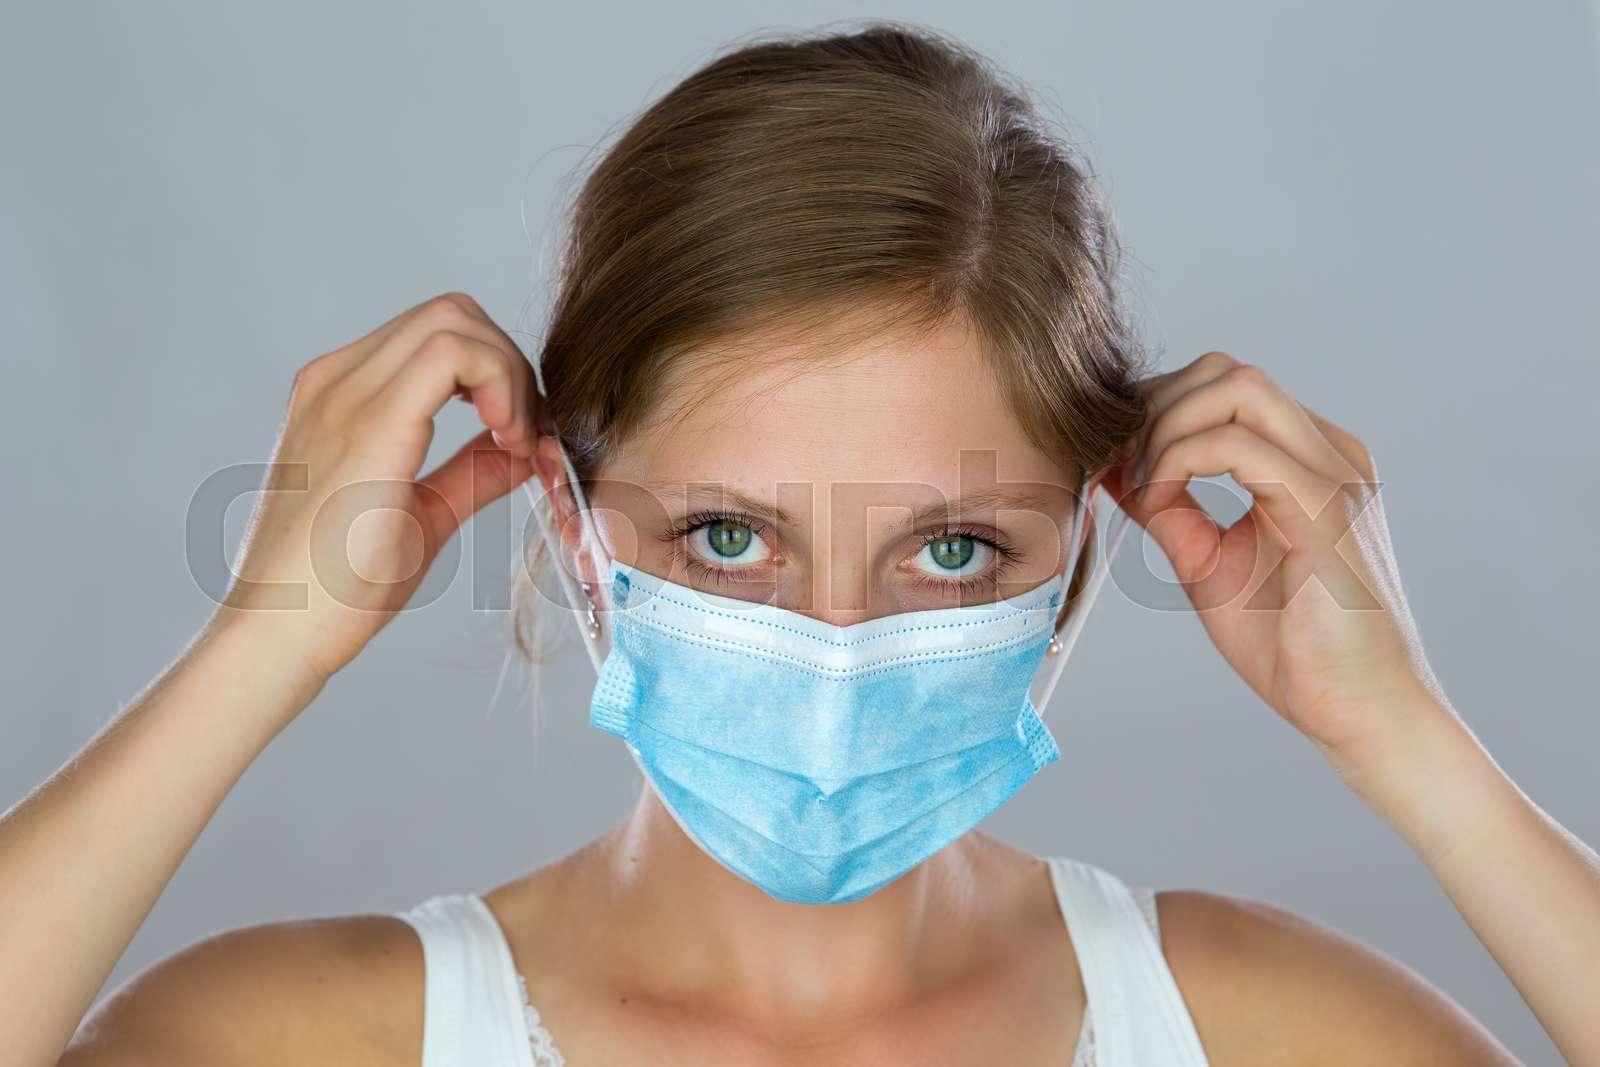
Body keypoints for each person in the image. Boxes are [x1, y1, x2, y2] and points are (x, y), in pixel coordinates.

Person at [6, 21, 1593, 1067]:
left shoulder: (1267, 1035)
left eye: (953, 551)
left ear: (1082, 556)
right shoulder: (311, 1041)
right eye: (724, 536)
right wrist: (261, 643)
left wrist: (1412, 746)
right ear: (569, 524)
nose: (836, 649)